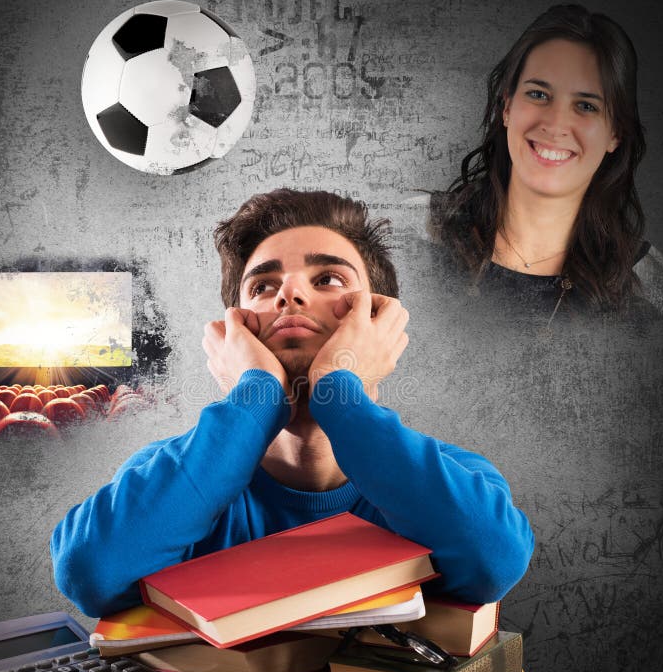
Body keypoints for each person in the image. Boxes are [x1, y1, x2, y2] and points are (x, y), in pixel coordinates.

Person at [51, 189, 534, 618]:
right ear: (236, 331)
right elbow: (91, 572)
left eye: (328, 279)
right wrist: (257, 392)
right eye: (262, 287)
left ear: (378, 321)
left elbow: (491, 561)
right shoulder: (167, 473)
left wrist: (340, 394)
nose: (289, 292)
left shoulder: (458, 477)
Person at [429, 4, 663, 324]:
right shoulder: (413, 232)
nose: (555, 125)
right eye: (539, 94)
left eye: (586, 106)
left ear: (615, 133)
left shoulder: (648, 283)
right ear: (507, 106)